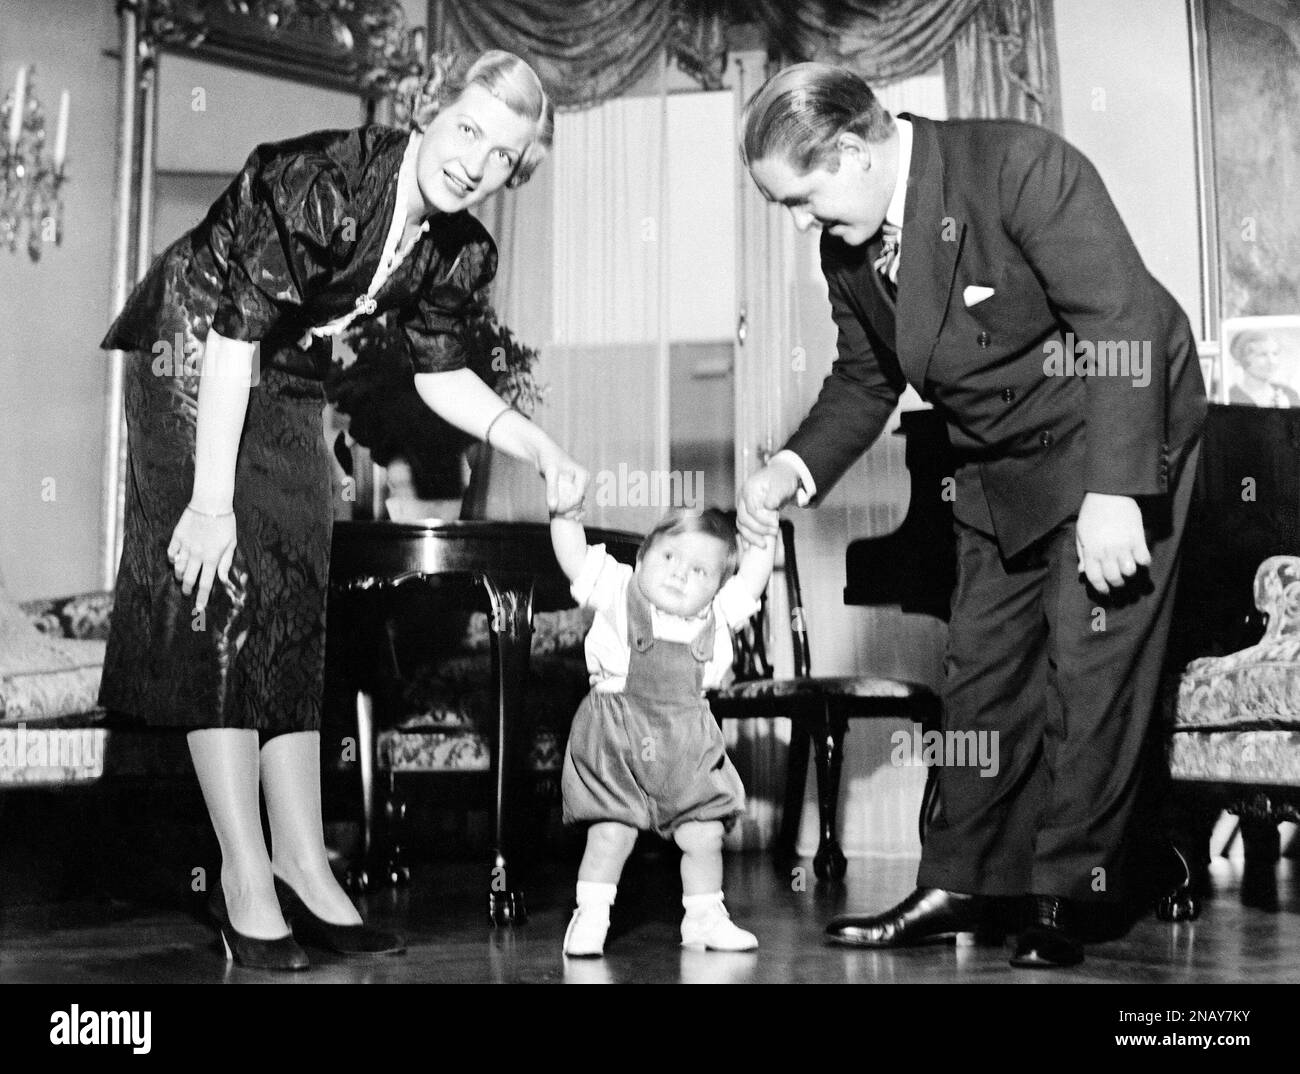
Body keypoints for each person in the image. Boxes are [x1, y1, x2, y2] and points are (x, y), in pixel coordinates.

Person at [98, 50, 588, 971]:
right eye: (468, 130)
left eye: (501, 156)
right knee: (223, 589)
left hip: (281, 364)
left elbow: (441, 373)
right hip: (194, 344)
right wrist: (209, 503)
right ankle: (244, 881)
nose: (474, 162)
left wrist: (540, 447)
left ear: (514, 172)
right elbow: (233, 338)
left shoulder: (459, 248)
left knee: (292, 590)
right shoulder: (321, 179)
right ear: (429, 112)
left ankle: (303, 862)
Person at [736, 63, 1207, 968]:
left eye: (803, 199)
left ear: (851, 151)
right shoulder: (849, 242)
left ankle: (1072, 895)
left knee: (1089, 666)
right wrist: (793, 466)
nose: (801, 225)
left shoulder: (1020, 167)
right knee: (982, 668)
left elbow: (1124, 322)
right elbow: (867, 377)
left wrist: (1117, 493)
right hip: (995, 455)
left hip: (1115, 425)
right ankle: (966, 882)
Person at [550, 506, 775, 957]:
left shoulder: (713, 617)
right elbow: (575, 558)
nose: (680, 575)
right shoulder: (618, 590)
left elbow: (751, 583)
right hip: (617, 737)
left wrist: (764, 532)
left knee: (704, 834)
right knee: (613, 832)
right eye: (670, 557)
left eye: (699, 571)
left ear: (714, 587)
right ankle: (592, 913)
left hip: (686, 741)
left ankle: (705, 917)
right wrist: (565, 513)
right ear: (642, 557)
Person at [1227, 330, 1299, 407]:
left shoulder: (1289, 394)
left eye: (1275, 354)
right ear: (1243, 359)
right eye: (1263, 355)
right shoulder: (1230, 396)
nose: (1272, 361)